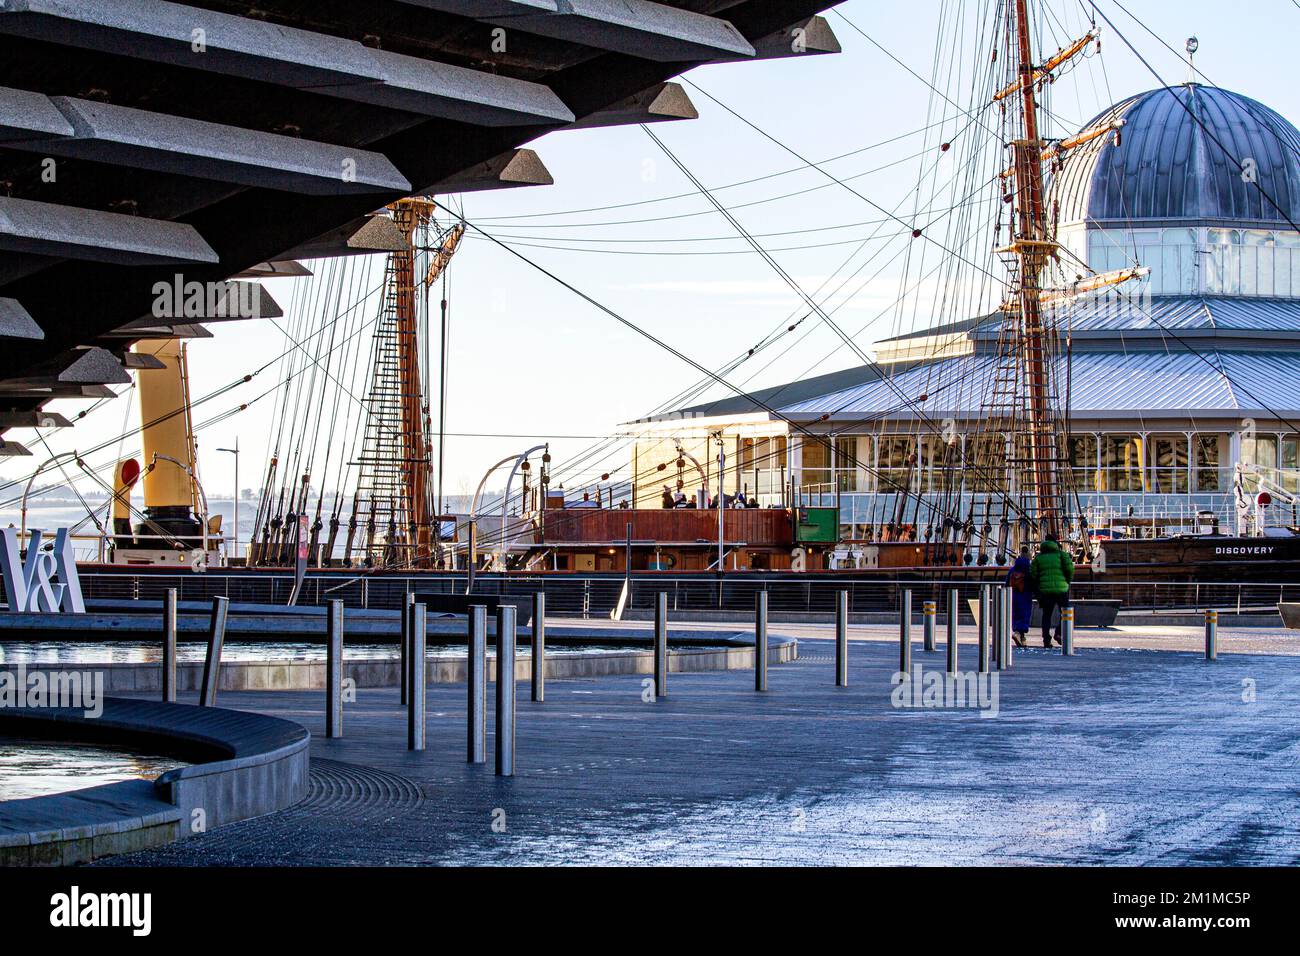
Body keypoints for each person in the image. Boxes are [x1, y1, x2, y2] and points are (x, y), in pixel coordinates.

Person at [1029, 534, 1073, 647]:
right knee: (1066, 612)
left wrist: (1040, 586)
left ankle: (1046, 639)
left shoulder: (1038, 558)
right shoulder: (1062, 555)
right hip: (1061, 589)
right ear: (1055, 543)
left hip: (1045, 591)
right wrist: (1066, 582)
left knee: (1046, 615)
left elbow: (1033, 574)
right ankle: (1059, 633)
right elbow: (1069, 569)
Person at [1005, 545, 1033, 648]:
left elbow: (1007, 583)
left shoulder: (1013, 570)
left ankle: (1022, 638)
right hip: (1025, 595)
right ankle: (1018, 634)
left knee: (1016, 615)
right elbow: (1033, 583)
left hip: (1014, 595)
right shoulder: (1029, 569)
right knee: (1024, 615)